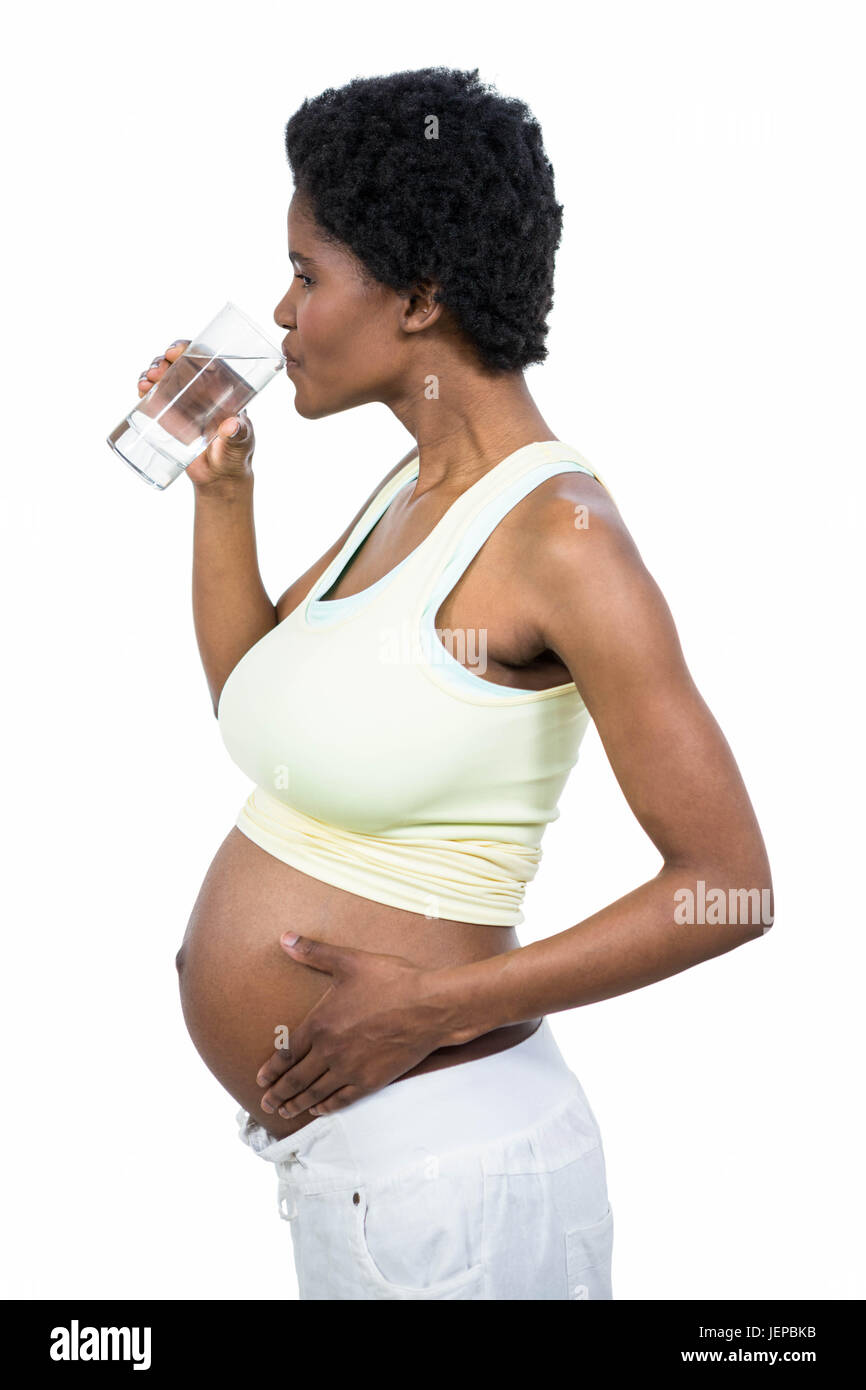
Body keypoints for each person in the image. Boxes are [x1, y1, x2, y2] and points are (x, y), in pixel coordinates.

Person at [161, 67, 773, 1300]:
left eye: (306, 273)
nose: (279, 313)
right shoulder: (409, 491)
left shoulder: (562, 539)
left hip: (455, 1183)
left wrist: (435, 1007)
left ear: (422, 298)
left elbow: (729, 888)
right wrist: (223, 492)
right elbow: (257, 708)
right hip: (367, 1169)